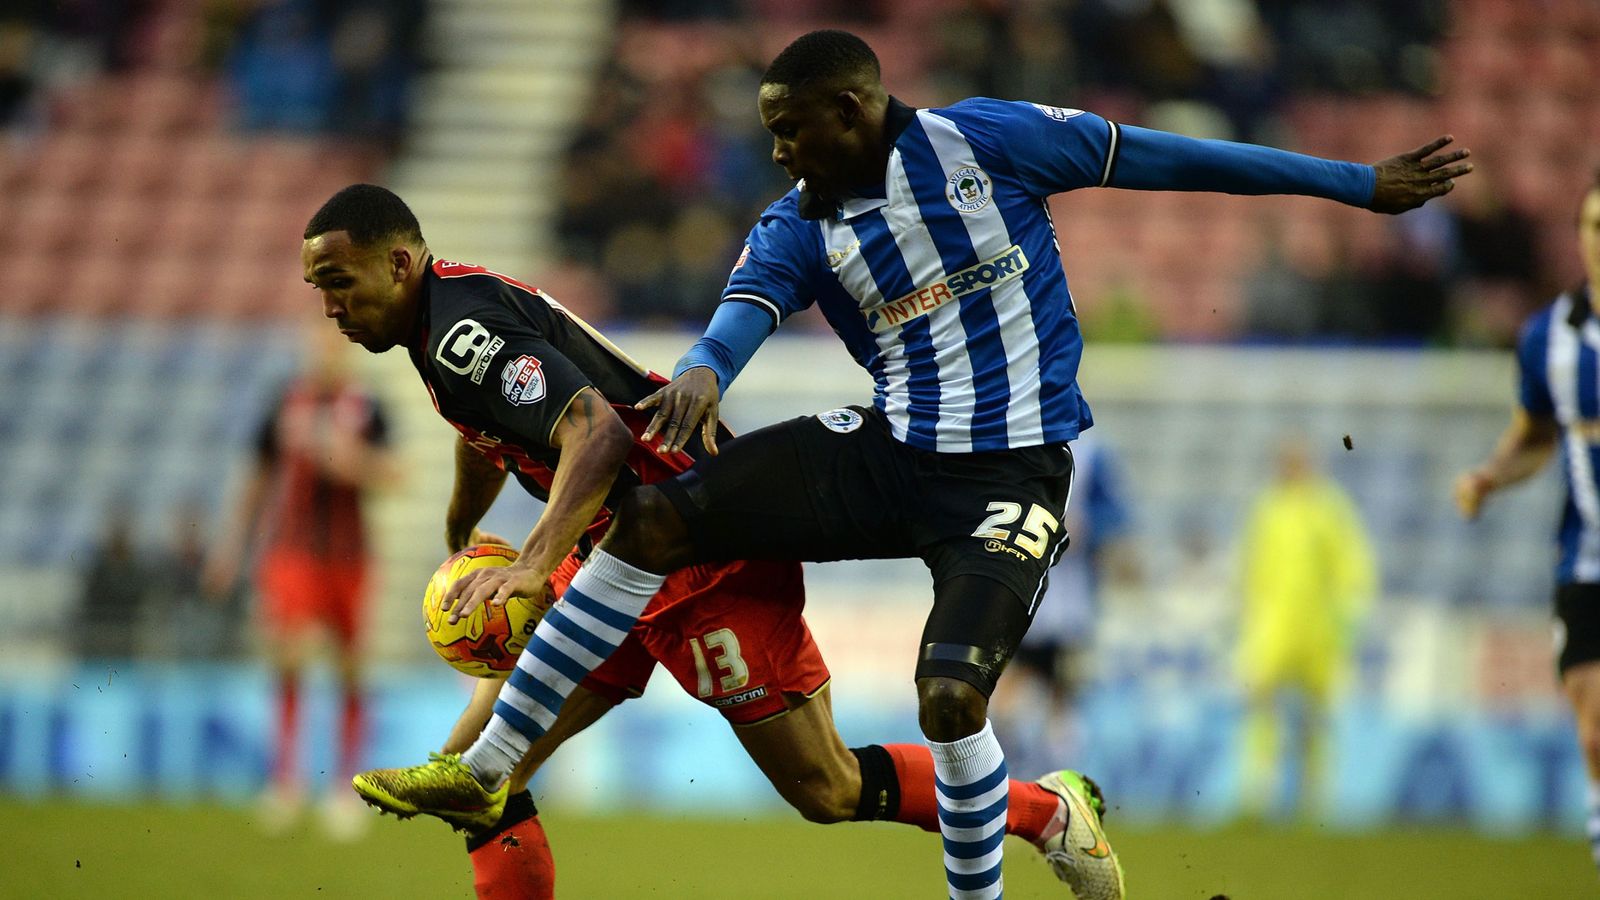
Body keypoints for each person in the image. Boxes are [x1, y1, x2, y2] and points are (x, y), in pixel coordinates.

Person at [368, 29, 1469, 900]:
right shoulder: (798, 219)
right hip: (892, 452)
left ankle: (1022, 844)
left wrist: (1353, 183)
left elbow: (1166, 156)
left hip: (1009, 479)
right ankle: (483, 764)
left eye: (791, 131)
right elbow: (742, 312)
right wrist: (705, 369)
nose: (780, 154)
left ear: (850, 111)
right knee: (653, 522)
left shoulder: (987, 142)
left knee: (947, 697)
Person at [300, 184, 1109, 898]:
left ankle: (1046, 811)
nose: (331, 307)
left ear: (399, 264)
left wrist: (535, 561)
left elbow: (596, 435)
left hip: (698, 544)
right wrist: (460, 532)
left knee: (824, 788)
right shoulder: (445, 323)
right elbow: (488, 428)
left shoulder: (459, 329)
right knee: (476, 768)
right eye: (318, 289)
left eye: (340, 283)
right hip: (616, 552)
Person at [1454, 168, 1600, 877]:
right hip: (1587, 559)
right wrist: (1490, 474)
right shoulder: (1548, 340)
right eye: (1594, 228)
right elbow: (1536, 438)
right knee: (1597, 729)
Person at [204, 322, 397, 839]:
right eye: (318, 348)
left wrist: (348, 461)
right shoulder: (284, 403)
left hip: (351, 555)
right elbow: (257, 476)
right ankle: (286, 781)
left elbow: (396, 473)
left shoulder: (366, 406)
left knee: (351, 667)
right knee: (288, 655)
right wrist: (230, 548)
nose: (326, 357)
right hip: (291, 552)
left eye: (335, 349)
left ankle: (344, 787)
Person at [1236, 434, 1376, 820]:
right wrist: (1247, 612)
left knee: (1318, 715)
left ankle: (1316, 802)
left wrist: (1348, 615)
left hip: (1319, 627)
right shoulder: (1268, 506)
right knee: (1262, 706)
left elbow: (1352, 563)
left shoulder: (1329, 507)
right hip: (1273, 626)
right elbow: (1252, 565)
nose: (1289, 467)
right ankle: (1256, 796)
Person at [992, 434, 1137, 779]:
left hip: (1071, 607)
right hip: (1021, 599)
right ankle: (1011, 770)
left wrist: (1088, 530)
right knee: (1007, 689)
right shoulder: (1015, 445)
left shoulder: (1090, 454)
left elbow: (1114, 514)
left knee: (1064, 693)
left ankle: (1058, 779)